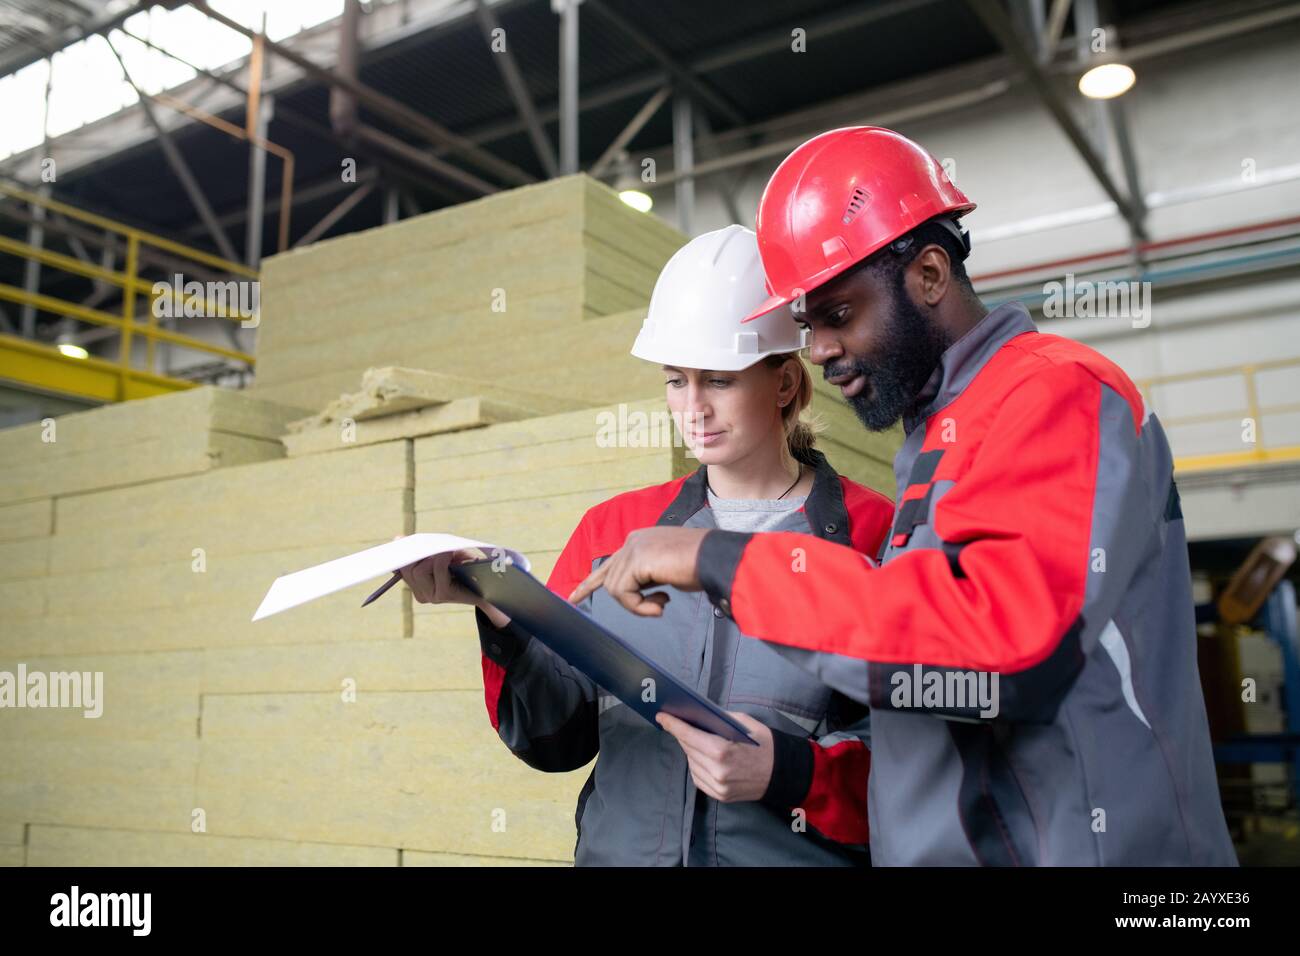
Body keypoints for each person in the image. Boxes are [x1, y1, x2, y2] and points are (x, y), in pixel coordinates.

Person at [570, 127, 1238, 866]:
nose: (818, 351)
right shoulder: (937, 437)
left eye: (839, 315)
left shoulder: (1055, 393)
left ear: (926, 274)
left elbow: (1000, 654)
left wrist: (720, 559)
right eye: (809, 324)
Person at [399, 224, 893, 865]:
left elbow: (918, 764)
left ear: (784, 383)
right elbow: (556, 738)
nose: (694, 409)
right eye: (674, 381)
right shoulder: (612, 532)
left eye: (718, 380)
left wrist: (790, 771)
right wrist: (499, 611)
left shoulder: (874, 535)